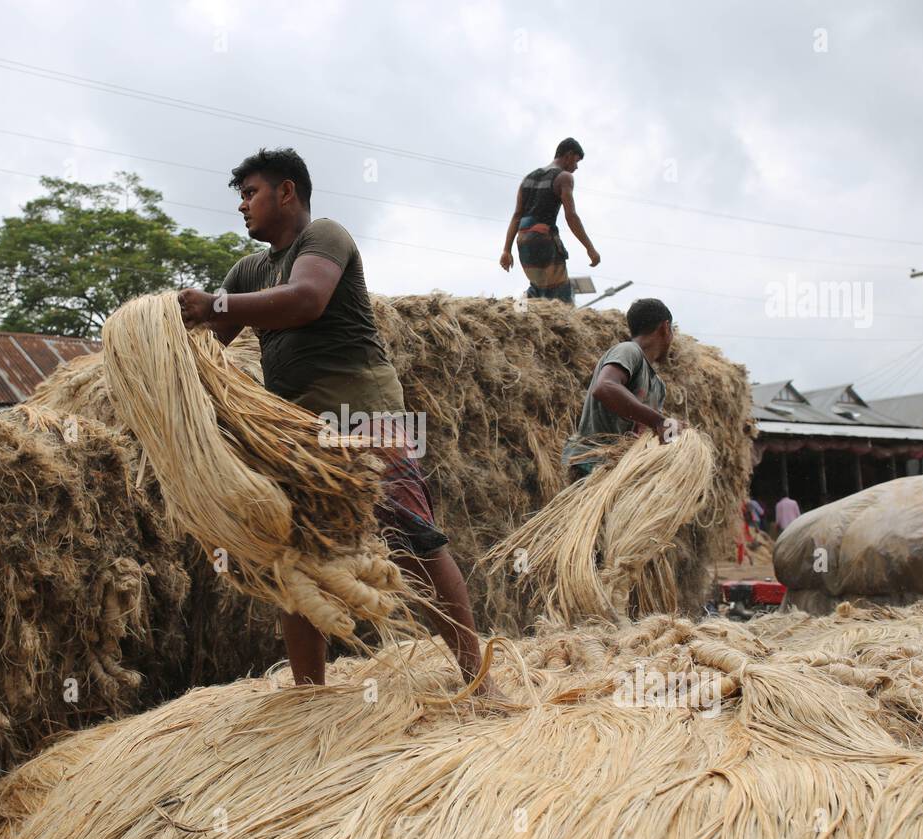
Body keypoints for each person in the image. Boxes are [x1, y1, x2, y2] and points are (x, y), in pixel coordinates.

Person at [177, 148, 489, 693]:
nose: (242, 206)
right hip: (300, 434)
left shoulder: (325, 236)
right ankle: (308, 693)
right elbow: (210, 341)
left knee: (412, 540)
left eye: (251, 193)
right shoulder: (249, 271)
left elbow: (307, 300)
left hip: (365, 416)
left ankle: (478, 678)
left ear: (288, 192)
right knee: (296, 558)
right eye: (241, 197)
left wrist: (217, 306)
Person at [560, 298, 683, 482]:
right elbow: (605, 387)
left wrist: (673, 431)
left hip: (622, 469)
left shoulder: (658, 386)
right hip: (594, 462)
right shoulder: (629, 351)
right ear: (665, 328)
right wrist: (659, 421)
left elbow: (647, 431)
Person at [499, 137, 601, 303]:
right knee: (562, 296)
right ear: (568, 155)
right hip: (543, 239)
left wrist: (506, 250)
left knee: (539, 289)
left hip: (523, 241)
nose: (576, 167)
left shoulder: (528, 179)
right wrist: (590, 249)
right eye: (576, 161)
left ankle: (519, 309)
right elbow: (571, 217)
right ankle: (561, 323)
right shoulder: (564, 177)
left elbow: (517, 215)